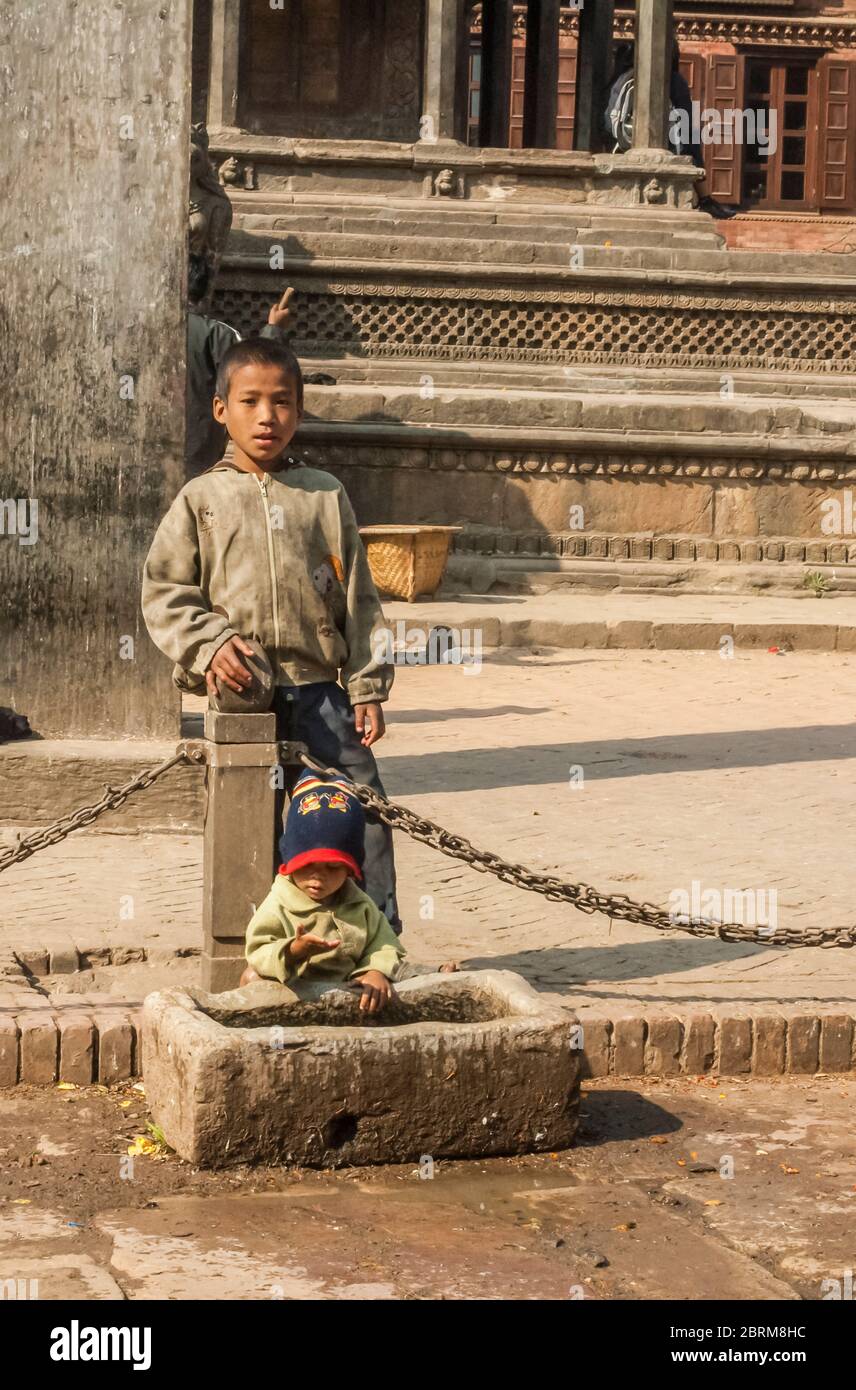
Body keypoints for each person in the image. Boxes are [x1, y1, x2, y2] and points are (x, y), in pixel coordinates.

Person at [141, 334, 402, 932]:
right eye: (251, 401)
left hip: (321, 698)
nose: (267, 416)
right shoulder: (200, 499)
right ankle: (259, 948)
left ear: (300, 411)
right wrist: (208, 646)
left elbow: (360, 597)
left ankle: (374, 945)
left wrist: (367, 685)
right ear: (220, 410)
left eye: (282, 401)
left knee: (358, 815)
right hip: (242, 700)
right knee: (250, 824)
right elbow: (165, 590)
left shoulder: (324, 494)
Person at [241, 772, 405, 1014]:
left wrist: (375, 971)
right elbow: (258, 950)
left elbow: (384, 944)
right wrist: (294, 951)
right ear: (291, 863)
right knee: (251, 977)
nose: (318, 877)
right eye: (307, 866)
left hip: (347, 987)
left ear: (350, 870)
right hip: (293, 988)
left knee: (396, 977)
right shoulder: (279, 903)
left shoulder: (359, 904)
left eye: (332, 868)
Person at [186, 253, 294, 477]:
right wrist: (274, 329)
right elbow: (257, 368)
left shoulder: (132, 330)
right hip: (196, 461)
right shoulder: (217, 335)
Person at [604, 41, 735, 219]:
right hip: (666, 148)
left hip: (621, 146)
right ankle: (705, 198)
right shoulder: (672, 80)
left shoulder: (621, 78)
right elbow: (685, 124)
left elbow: (608, 120)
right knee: (691, 138)